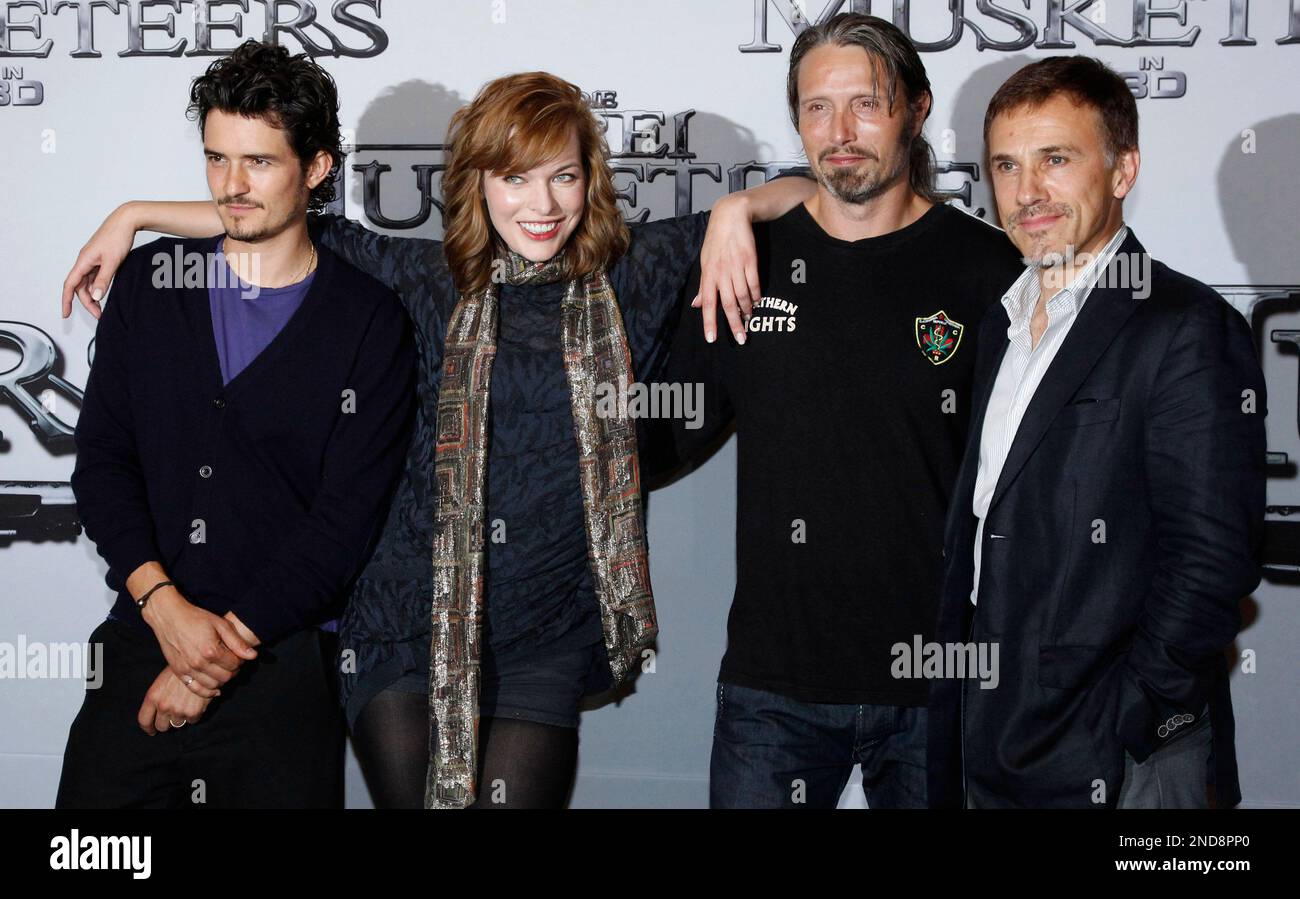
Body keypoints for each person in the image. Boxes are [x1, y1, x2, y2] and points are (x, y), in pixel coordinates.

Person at [63, 69, 815, 809]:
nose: (541, 205)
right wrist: (134, 214)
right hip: (402, 620)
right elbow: (275, 216)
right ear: (478, 184)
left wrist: (736, 212)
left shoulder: (634, 273)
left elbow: (819, 189)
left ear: (591, 180)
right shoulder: (427, 276)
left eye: (562, 177)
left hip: (543, 628)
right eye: (514, 178)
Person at [664, 13, 1023, 808]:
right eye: (817, 108)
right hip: (773, 686)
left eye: (867, 103)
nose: (841, 131)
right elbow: (664, 432)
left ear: (917, 109)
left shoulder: (987, 267)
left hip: (937, 680)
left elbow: (1026, 478)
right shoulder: (745, 258)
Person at [56, 41, 416, 808]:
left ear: (316, 168)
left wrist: (212, 657)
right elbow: (102, 466)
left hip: (279, 675)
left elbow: (343, 525)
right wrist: (164, 609)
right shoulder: (154, 286)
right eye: (217, 159)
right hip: (138, 643)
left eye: (258, 162)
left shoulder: (367, 322)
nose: (232, 187)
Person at [927, 56, 1265, 809]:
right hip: (992, 736)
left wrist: (1134, 715)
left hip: (1124, 757)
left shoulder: (1184, 325)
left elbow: (1214, 557)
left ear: (1122, 170)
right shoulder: (1002, 323)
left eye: (1057, 159)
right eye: (1007, 166)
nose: (1027, 192)